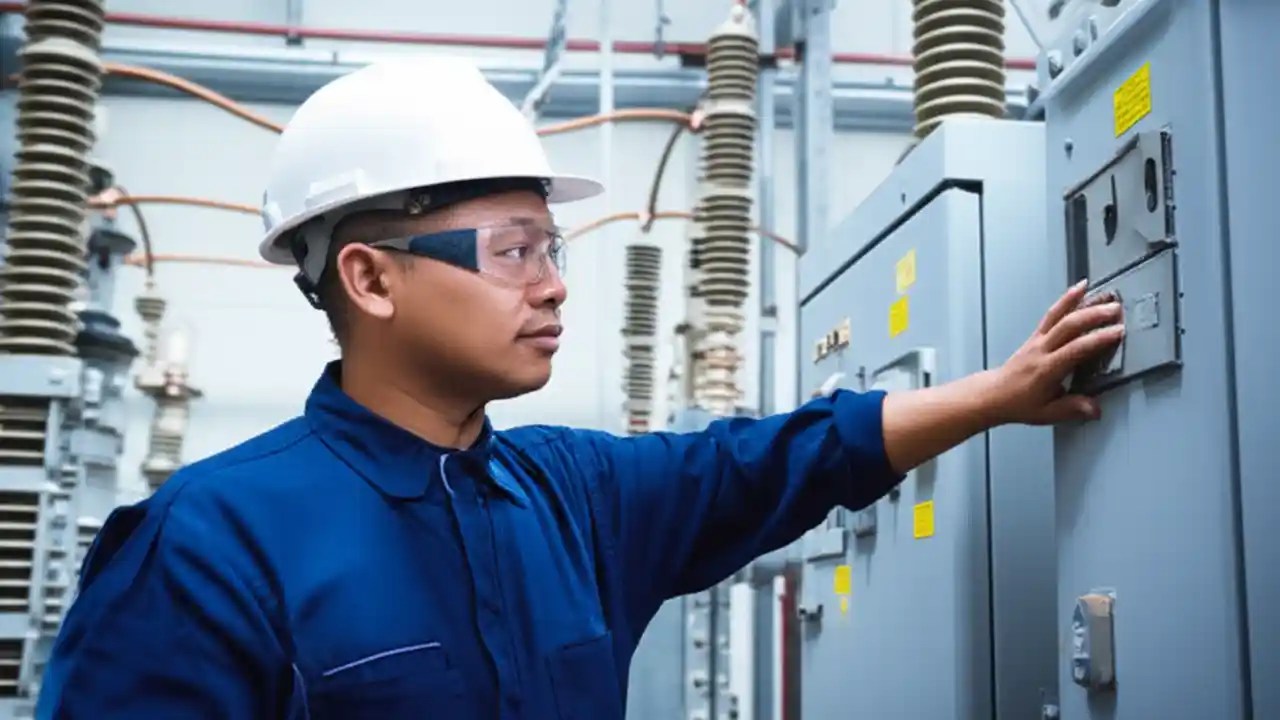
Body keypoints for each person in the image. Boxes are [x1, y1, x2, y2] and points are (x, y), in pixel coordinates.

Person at [35, 57, 1123, 719]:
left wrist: (996, 395)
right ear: (369, 279)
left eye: (551, 247)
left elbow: (779, 459)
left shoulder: (570, 495)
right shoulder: (207, 544)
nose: (554, 284)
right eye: (512, 250)